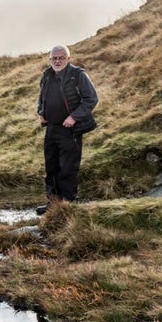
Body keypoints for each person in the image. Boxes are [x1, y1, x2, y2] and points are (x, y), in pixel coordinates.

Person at [36, 45, 98, 215]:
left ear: (68, 58)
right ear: (50, 59)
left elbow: (91, 99)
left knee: (68, 168)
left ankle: (68, 205)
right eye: (54, 58)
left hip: (71, 130)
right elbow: (41, 98)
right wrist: (41, 112)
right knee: (52, 168)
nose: (57, 61)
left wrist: (74, 117)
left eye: (61, 57)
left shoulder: (78, 75)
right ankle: (53, 204)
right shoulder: (47, 75)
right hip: (51, 129)